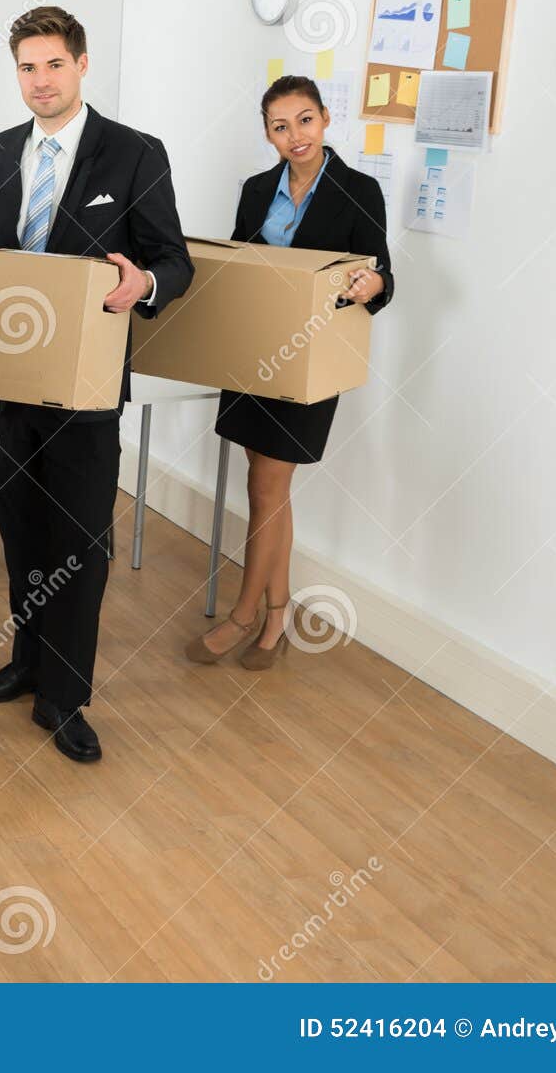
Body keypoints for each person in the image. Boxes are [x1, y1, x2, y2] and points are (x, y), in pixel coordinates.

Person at [0, 6, 193, 763]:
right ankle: (27, 662)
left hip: (85, 395)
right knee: (20, 533)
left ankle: (65, 695)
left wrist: (143, 282)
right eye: (27, 67)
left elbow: (174, 261)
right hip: (7, 387)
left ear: (82, 65)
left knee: (80, 544)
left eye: (54, 64)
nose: (40, 80)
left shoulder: (134, 154)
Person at [185, 75, 393, 669]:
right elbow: (239, 268)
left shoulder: (359, 190)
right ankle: (277, 612)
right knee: (270, 490)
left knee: (266, 487)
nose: (295, 135)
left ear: (325, 119)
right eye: (281, 125)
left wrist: (371, 284)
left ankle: (243, 615)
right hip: (253, 355)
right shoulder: (255, 191)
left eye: (304, 120)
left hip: (310, 360)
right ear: (268, 133)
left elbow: (384, 278)